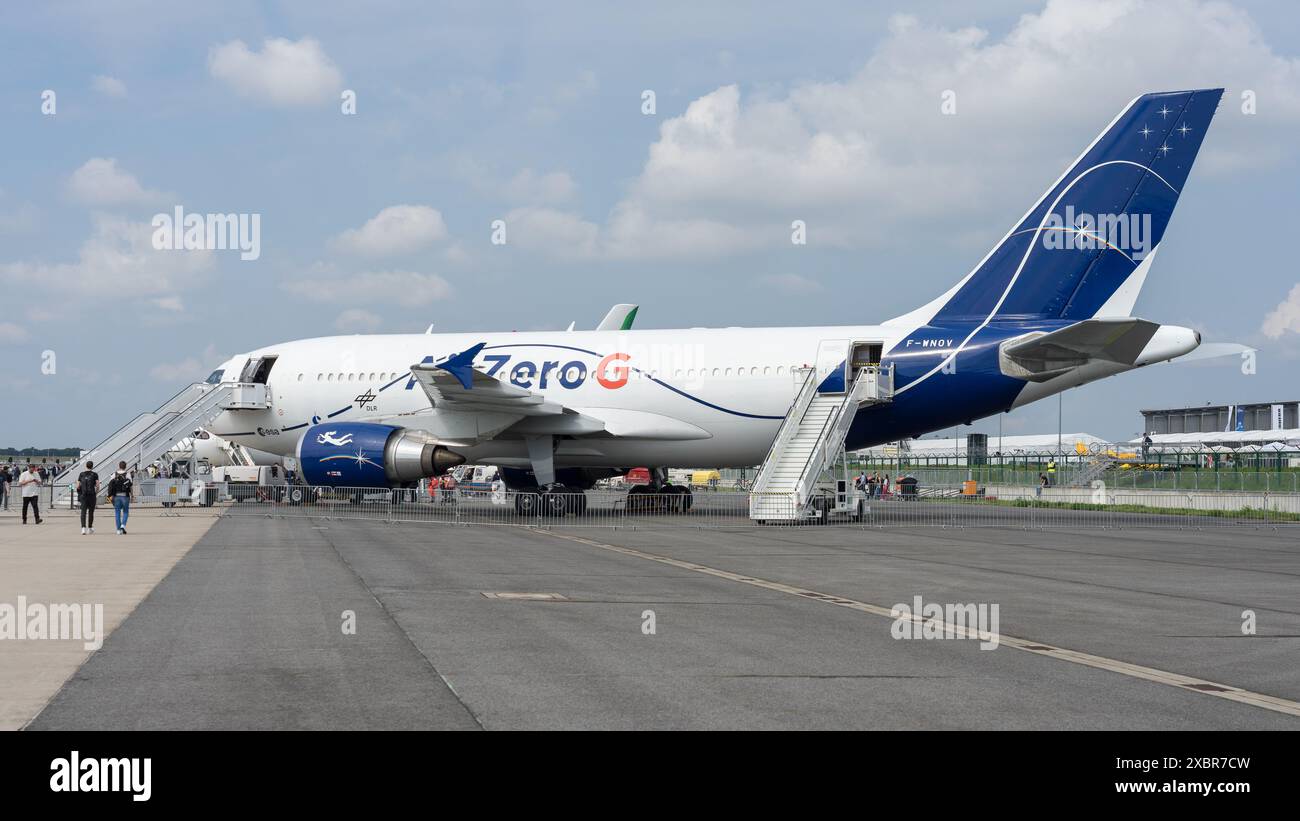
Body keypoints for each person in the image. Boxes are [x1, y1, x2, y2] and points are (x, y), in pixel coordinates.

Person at [106, 460, 133, 534]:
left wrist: (110, 495)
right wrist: (132, 495)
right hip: (125, 496)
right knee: (126, 512)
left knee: (117, 512)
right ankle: (123, 526)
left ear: (119, 466)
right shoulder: (128, 475)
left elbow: (110, 485)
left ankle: (118, 530)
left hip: (116, 496)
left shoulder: (114, 475)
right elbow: (130, 486)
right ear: (125, 466)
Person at [77, 461, 100, 535]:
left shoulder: (81, 474)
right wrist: (96, 493)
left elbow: (78, 486)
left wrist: (80, 493)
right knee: (91, 512)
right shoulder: (95, 474)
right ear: (92, 466)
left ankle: (83, 528)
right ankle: (90, 528)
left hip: (83, 495)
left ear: (86, 466)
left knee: (83, 512)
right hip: (91, 495)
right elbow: (97, 485)